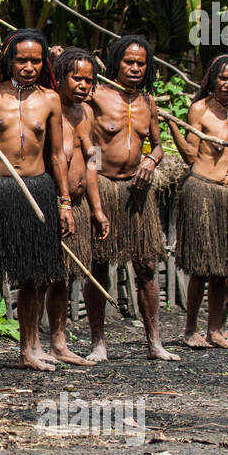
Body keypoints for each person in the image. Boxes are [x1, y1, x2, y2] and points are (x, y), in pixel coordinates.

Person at [0, 29, 74, 372]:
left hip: (37, 188)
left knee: (33, 277)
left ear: (44, 63)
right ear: (9, 60)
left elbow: (57, 156)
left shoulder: (51, 100)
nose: (28, 66)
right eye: (21, 59)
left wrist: (65, 202)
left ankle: (28, 350)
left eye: (35, 60)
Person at [85, 35, 179, 362]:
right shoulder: (97, 95)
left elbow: (157, 145)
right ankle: (98, 342)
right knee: (98, 266)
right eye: (129, 62)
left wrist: (151, 161)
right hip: (104, 187)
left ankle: (154, 342)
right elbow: (86, 141)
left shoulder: (148, 103)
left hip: (136, 192)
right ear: (116, 64)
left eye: (141, 63)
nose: (135, 68)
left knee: (147, 266)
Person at [167, 55, 228, 350]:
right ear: (212, 79)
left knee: (224, 266)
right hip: (202, 189)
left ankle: (214, 331)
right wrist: (172, 124)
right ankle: (190, 330)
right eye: (223, 78)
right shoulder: (200, 109)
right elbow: (189, 155)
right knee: (201, 265)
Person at [44, 47, 109, 367]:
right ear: (60, 77)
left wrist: (97, 208)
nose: (84, 85)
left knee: (69, 276)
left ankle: (61, 340)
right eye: (77, 78)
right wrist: (61, 201)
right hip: (54, 201)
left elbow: (93, 161)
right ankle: (55, 342)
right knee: (53, 275)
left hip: (81, 203)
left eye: (89, 80)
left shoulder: (87, 114)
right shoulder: (47, 105)